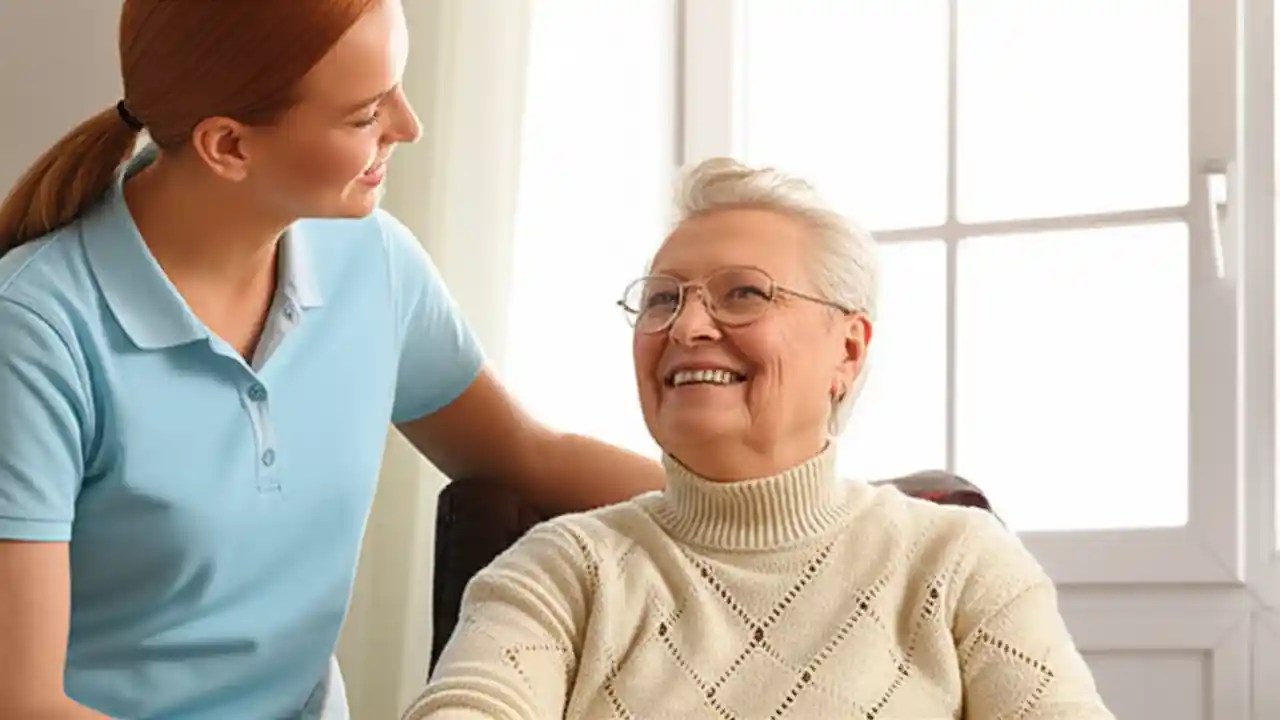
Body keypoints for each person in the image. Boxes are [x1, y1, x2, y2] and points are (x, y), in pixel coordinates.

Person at [0, 2, 662, 718]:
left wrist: (776, 512)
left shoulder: (370, 262)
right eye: (364, 115)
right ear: (228, 146)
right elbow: (23, 701)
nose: (408, 127)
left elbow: (526, 454)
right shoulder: (35, 334)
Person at [408, 158, 1115, 719]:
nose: (686, 328)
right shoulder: (561, 569)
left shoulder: (961, 559)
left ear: (848, 348)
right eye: (662, 298)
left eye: (742, 293)